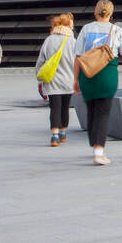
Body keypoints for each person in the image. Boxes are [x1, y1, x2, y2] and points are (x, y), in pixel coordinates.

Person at [73, 0, 122, 165]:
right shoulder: (117, 31)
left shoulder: (86, 29)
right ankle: (99, 150)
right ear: (110, 12)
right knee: (103, 113)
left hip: (87, 75)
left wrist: (75, 79)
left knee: (92, 110)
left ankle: (94, 143)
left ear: (96, 11)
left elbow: (78, 57)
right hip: (107, 76)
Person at [36, 13, 77, 147]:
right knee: (65, 107)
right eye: (72, 24)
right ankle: (63, 132)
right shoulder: (72, 41)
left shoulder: (49, 40)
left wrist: (39, 77)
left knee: (54, 108)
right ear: (66, 25)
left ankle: (54, 135)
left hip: (52, 81)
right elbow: (77, 61)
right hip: (68, 80)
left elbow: (41, 60)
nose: (73, 27)